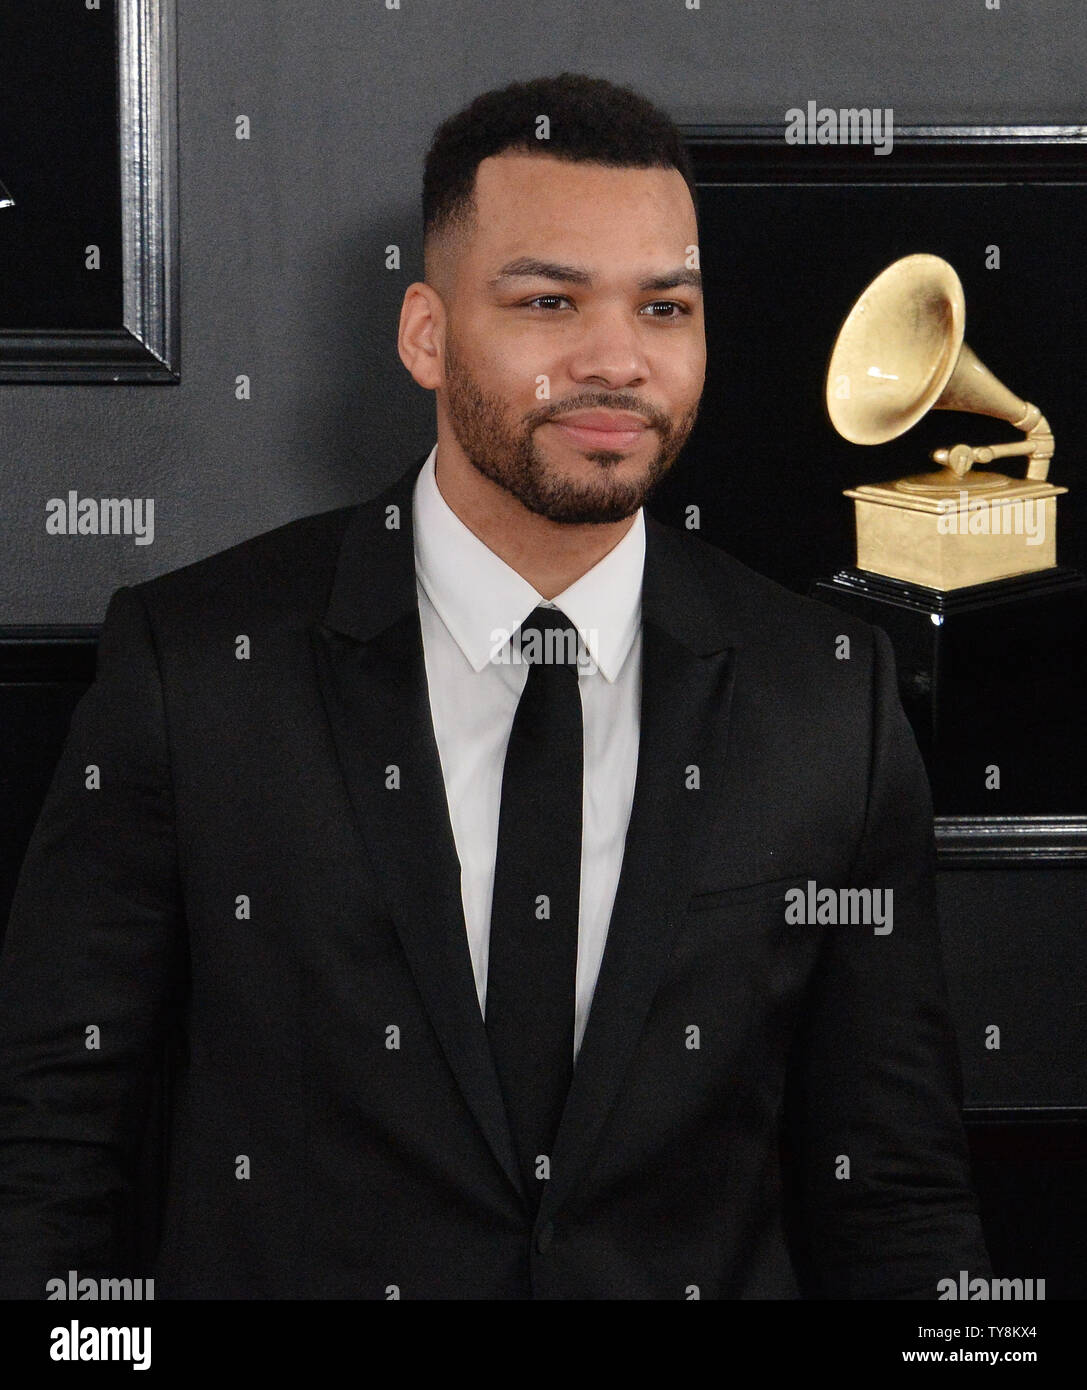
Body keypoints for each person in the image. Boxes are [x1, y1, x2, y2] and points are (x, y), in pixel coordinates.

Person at [0, 72, 991, 1299]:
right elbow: (47, 1146)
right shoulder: (196, 665)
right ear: (426, 332)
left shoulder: (825, 696)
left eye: (664, 308)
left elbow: (893, 1185)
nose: (617, 359)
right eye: (548, 300)